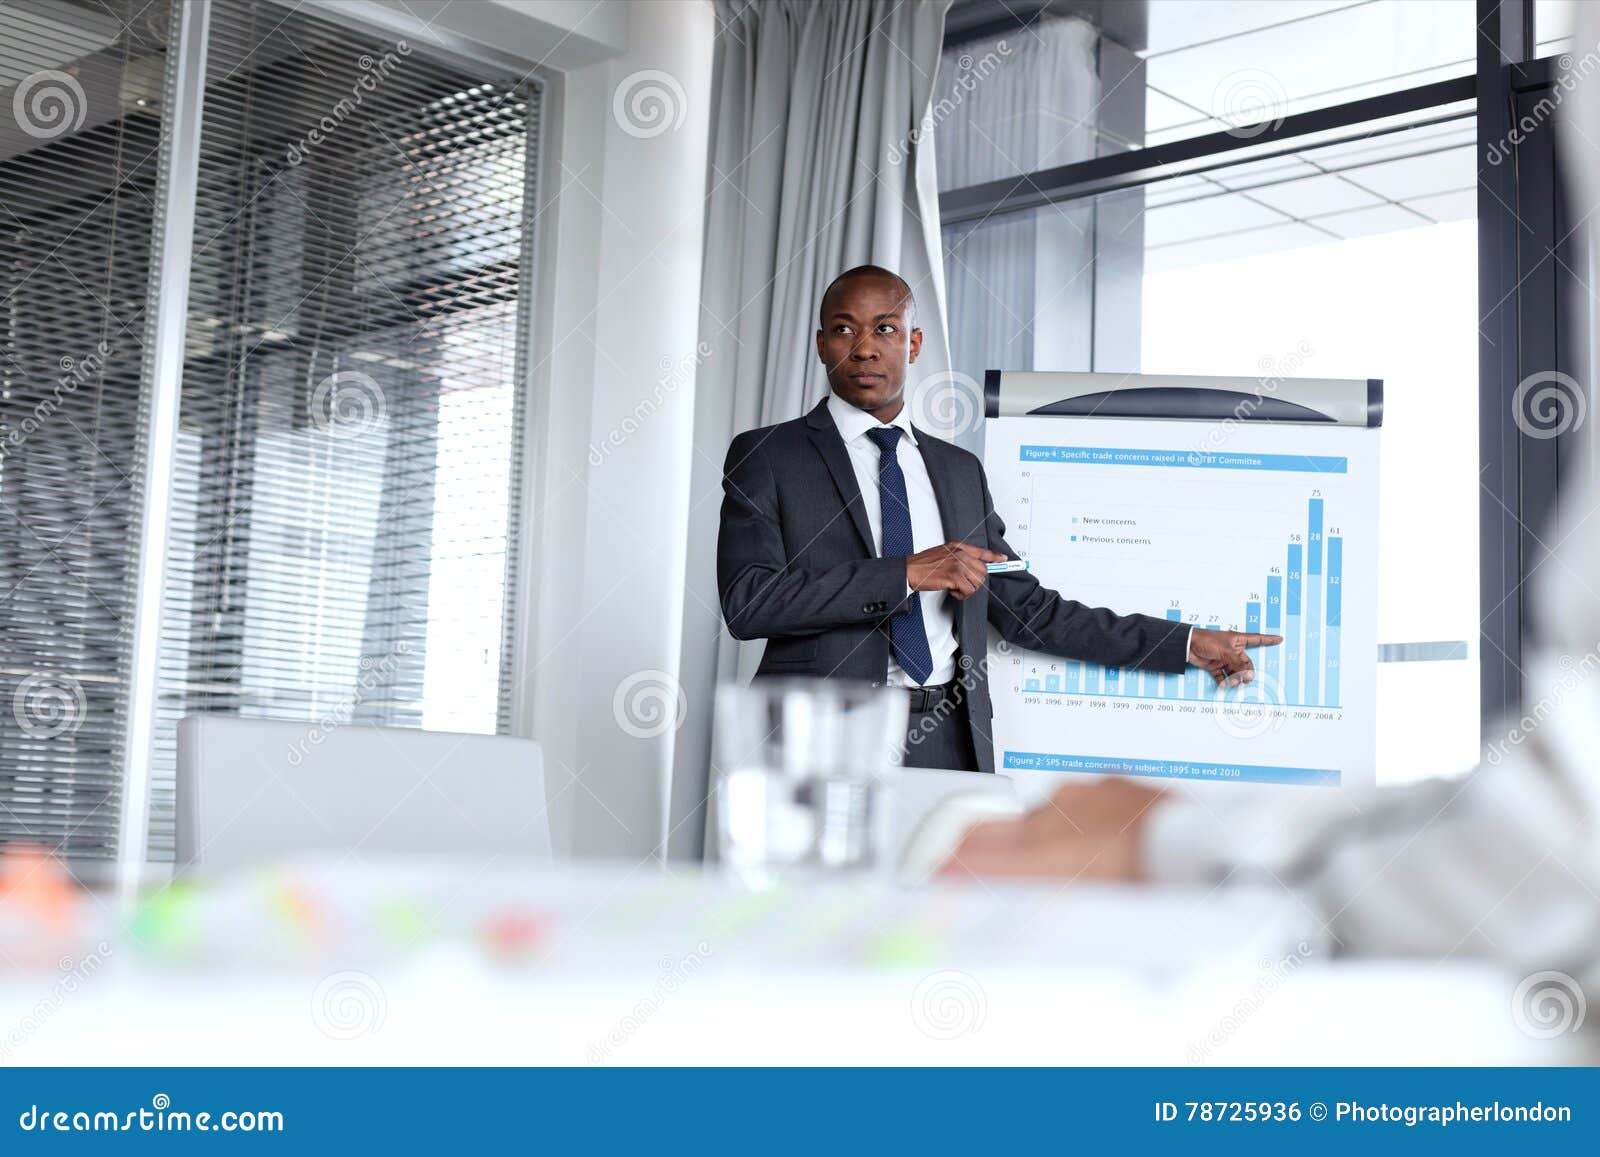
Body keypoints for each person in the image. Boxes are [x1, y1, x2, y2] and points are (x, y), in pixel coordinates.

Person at [716, 265, 1280, 771]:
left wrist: (1184, 643)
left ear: (913, 344)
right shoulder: (768, 455)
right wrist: (906, 573)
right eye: (845, 329)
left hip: (947, 737)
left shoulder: (959, 471)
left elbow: (1030, 612)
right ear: (821, 345)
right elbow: (749, 603)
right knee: (820, 892)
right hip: (822, 738)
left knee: (939, 891)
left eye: (885, 329)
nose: (865, 347)